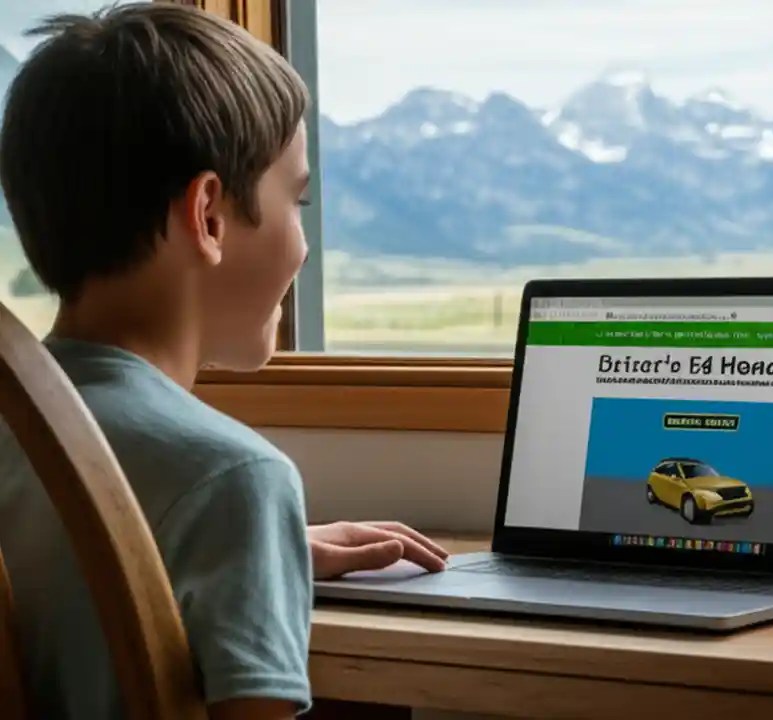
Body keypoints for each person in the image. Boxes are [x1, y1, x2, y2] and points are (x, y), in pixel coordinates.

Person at [0, 4, 446, 718]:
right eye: (296, 200)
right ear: (208, 215)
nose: (303, 244)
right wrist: (240, 513)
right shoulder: (233, 475)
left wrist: (256, 548)